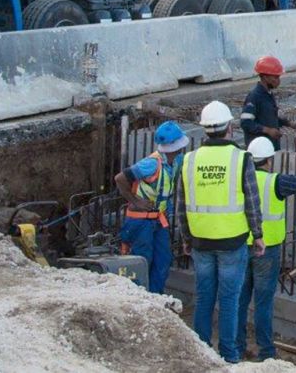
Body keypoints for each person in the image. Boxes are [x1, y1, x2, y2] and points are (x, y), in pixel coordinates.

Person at [177, 100, 265, 364]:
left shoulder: (189, 160)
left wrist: (186, 238)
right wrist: (257, 234)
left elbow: (181, 204)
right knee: (229, 300)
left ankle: (202, 353)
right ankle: (228, 356)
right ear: (230, 126)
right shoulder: (240, 159)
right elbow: (252, 200)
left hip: (201, 241)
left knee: (204, 297)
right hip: (232, 242)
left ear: (205, 129)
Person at [236, 138, 296, 362]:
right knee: (263, 303)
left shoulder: (238, 179)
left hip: (239, 246)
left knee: (239, 299)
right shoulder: (275, 182)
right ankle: (266, 352)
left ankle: (235, 348)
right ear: (268, 160)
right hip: (267, 250)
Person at [113, 120, 189, 294]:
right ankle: (140, 300)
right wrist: (136, 201)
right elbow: (120, 178)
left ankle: (156, 299)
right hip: (140, 222)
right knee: (142, 262)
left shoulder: (174, 161)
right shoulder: (152, 163)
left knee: (162, 261)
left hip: (157, 220)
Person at [241, 55, 291, 148]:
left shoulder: (269, 94)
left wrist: (287, 123)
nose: (279, 81)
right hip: (259, 151)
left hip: (270, 147)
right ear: (265, 77)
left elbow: (267, 118)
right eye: (275, 77)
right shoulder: (254, 97)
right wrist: (268, 130)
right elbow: (245, 123)